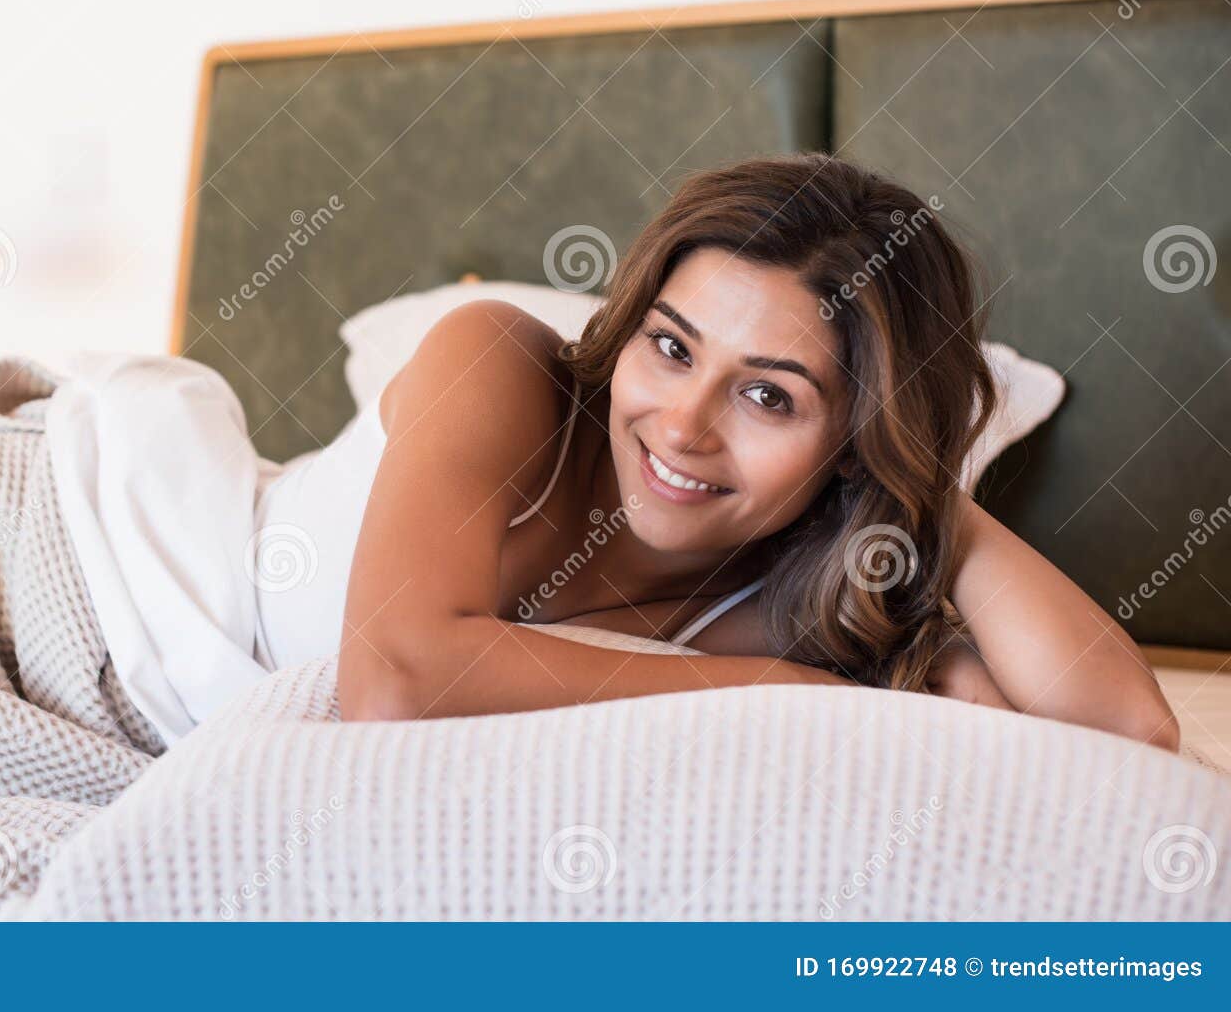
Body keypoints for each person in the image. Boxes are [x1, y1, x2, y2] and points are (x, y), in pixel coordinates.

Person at [289, 153, 1178, 751]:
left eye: (768, 396)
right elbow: (395, 682)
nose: (683, 427)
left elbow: (1127, 725)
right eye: (672, 347)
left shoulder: (807, 602)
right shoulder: (497, 365)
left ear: (856, 440)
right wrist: (771, 686)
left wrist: (930, 497)